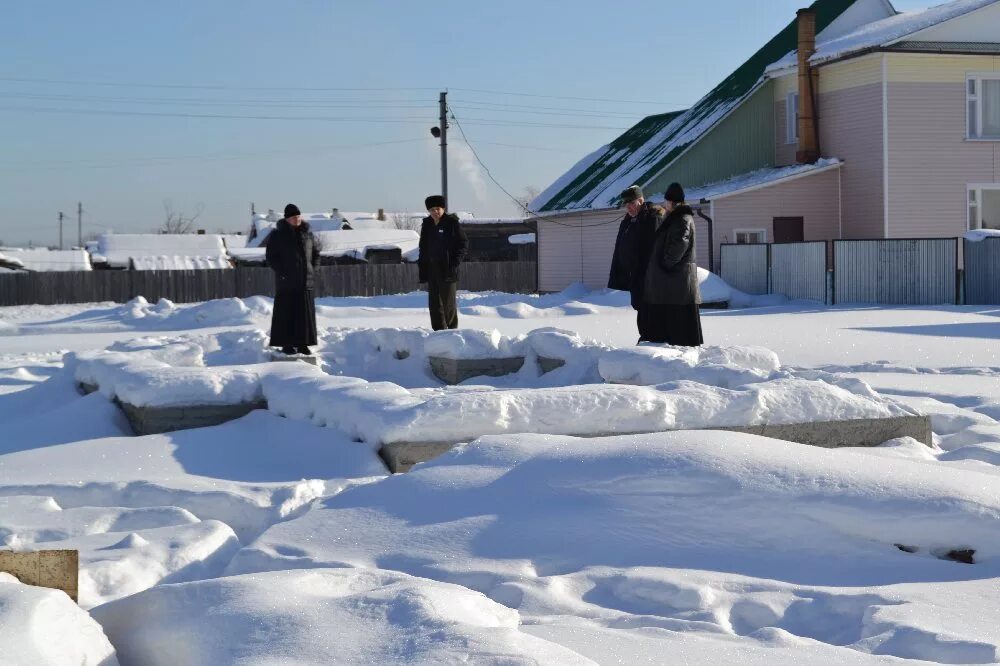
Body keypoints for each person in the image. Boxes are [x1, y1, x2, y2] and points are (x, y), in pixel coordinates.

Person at [642, 182, 703, 346]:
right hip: (673, 285)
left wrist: (664, 265)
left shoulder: (682, 220)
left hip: (677, 285)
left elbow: (679, 245)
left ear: (672, 201)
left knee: (679, 332)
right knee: (672, 330)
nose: (664, 204)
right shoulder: (674, 218)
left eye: (666, 200)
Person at [608, 185, 665, 342]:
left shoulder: (652, 218)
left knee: (650, 308)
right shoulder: (629, 221)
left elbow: (654, 250)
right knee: (641, 307)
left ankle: (654, 340)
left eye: (631, 204)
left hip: (650, 277)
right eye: (626, 205)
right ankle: (647, 338)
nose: (628, 208)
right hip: (635, 276)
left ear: (640, 200)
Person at [265, 203, 321, 355]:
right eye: (293, 217)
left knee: (304, 316)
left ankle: (303, 344)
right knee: (286, 314)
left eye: (298, 216)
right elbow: (271, 257)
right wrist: (283, 272)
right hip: (287, 283)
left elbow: (316, 254)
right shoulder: (278, 235)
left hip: (305, 282)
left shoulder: (308, 235)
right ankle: (287, 345)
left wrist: (313, 269)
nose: (297, 219)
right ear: (287, 219)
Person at [418, 195, 468, 330]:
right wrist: (422, 266)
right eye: (432, 209)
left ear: (443, 208)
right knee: (434, 304)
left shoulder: (452, 223)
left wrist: (454, 262)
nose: (435, 212)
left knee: (448, 304)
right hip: (431, 269)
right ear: (429, 211)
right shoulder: (427, 224)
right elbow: (423, 247)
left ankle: (452, 331)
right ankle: (438, 332)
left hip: (447, 269)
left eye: (438, 208)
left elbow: (463, 244)